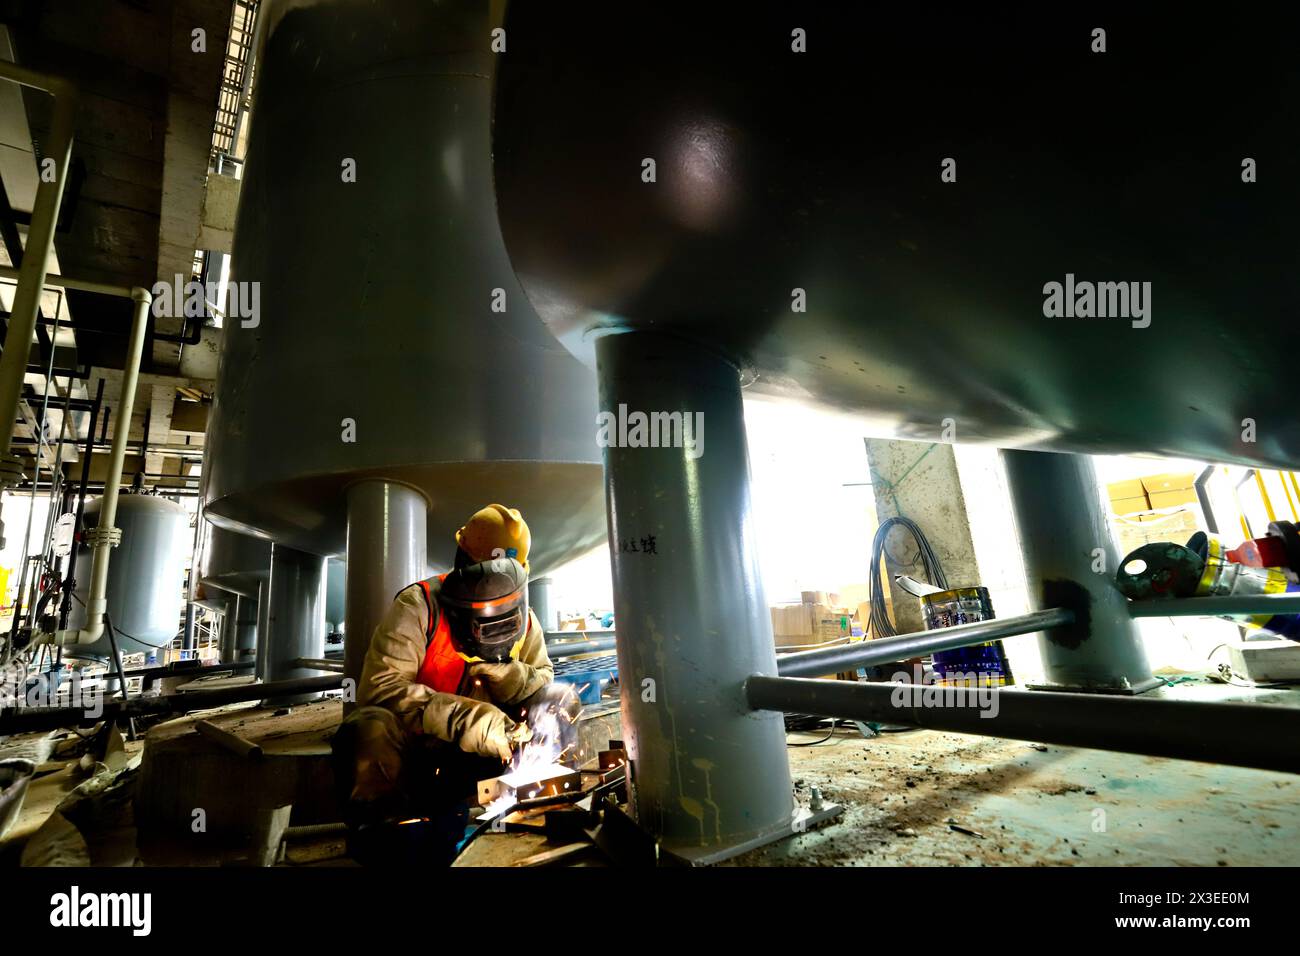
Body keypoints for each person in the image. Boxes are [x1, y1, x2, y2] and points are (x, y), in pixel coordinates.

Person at [334, 504, 565, 862]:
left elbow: (544, 680)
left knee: (557, 699)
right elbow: (379, 691)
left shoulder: (527, 621)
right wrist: (472, 720)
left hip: (483, 760)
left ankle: (534, 813)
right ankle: (388, 844)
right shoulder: (420, 606)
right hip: (418, 758)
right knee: (369, 730)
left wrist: (514, 680)